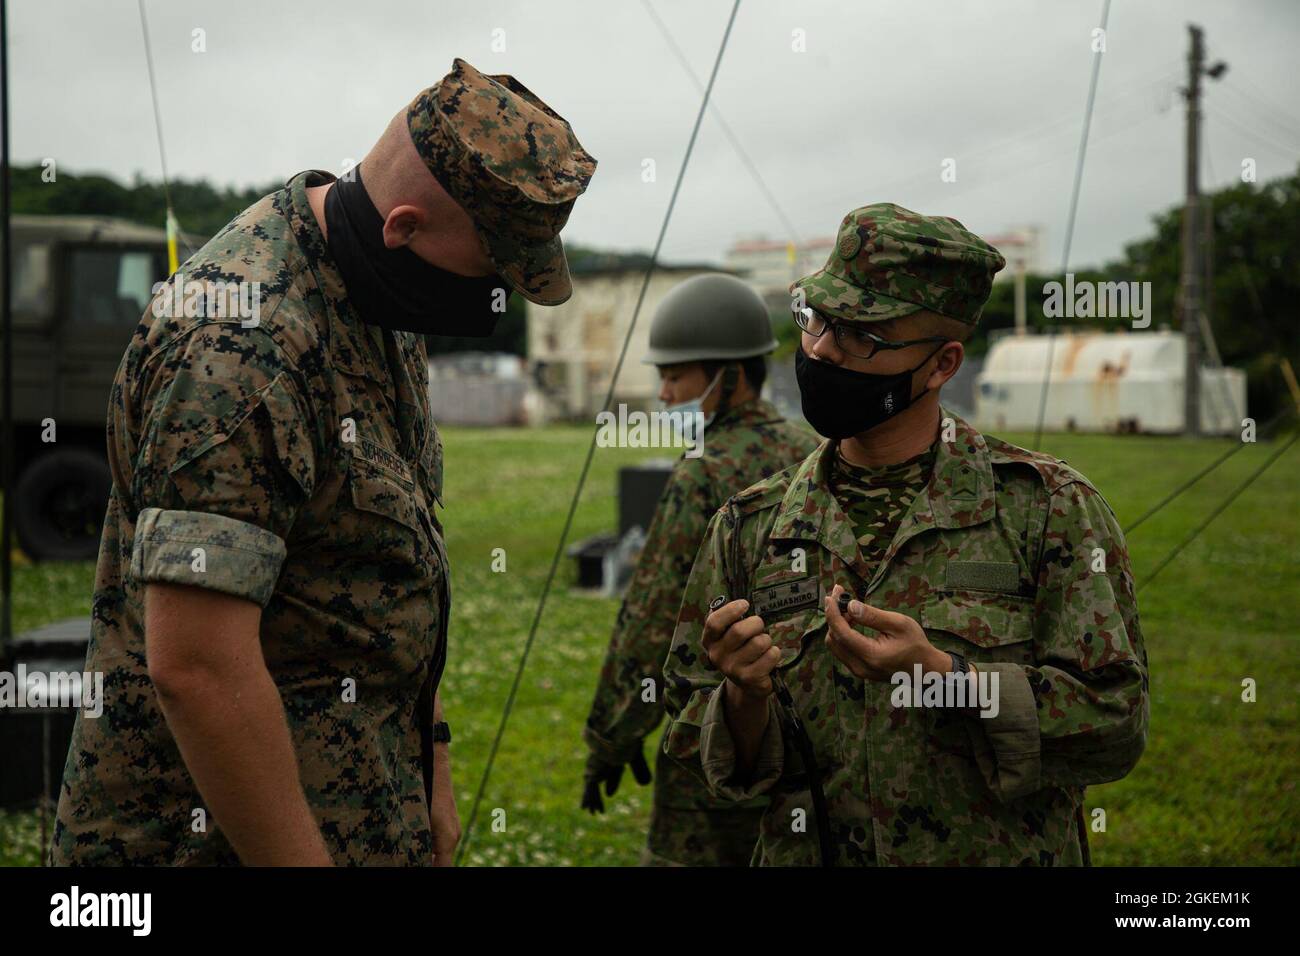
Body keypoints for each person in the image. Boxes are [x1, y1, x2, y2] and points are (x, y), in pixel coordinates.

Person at [49, 58, 595, 866]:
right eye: (491, 272)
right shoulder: (242, 348)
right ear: (402, 227)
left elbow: (395, 570)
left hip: (363, 809)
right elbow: (198, 669)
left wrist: (429, 766)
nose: (494, 302)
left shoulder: (377, 293)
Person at [662, 204, 1149, 866]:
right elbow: (697, 745)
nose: (824, 350)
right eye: (821, 321)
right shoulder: (753, 527)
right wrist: (744, 698)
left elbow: (1114, 727)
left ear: (942, 364)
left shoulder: (1050, 510)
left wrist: (945, 678)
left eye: (864, 336)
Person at [582, 273, 819, 865]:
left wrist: (613, 733)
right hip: (815, 735)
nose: (663, 394)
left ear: (731, 375)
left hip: (715, 732)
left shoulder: (701, 473)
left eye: (674, 375)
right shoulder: (815, 452)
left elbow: (656, 613)